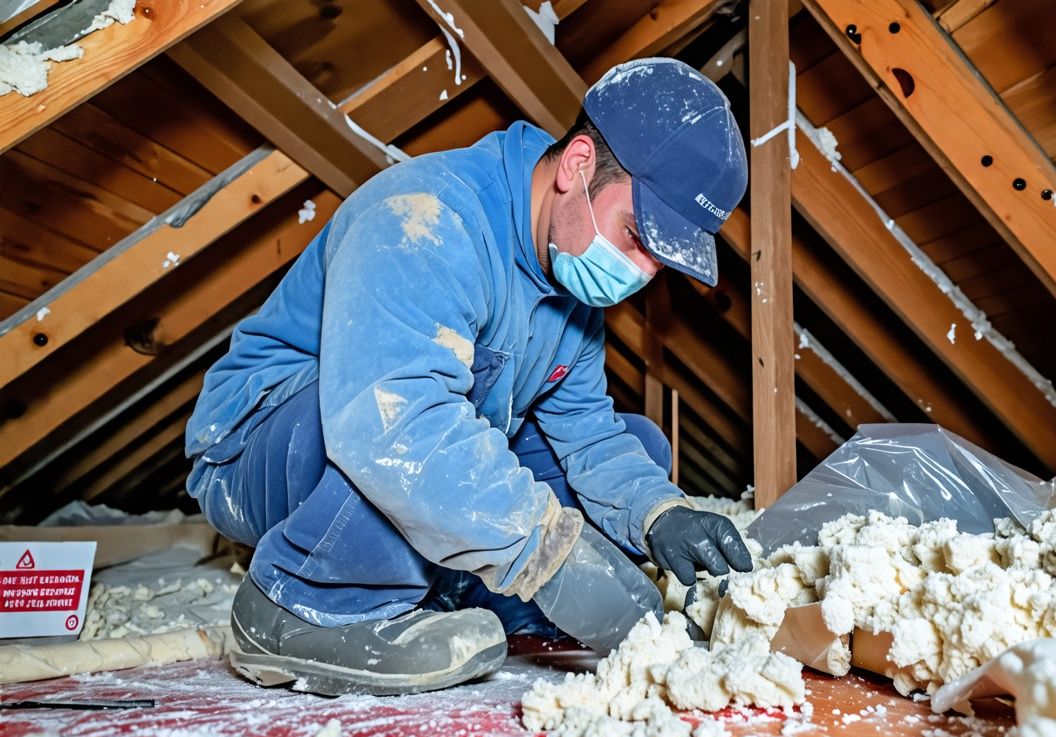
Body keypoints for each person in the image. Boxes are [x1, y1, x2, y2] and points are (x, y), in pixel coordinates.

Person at [183, 58, 753, 696]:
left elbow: (590, 437)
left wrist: (660, 512)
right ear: (577, 164)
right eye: (636, 235)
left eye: (660, 259)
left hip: (391, 424)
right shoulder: (427, 217)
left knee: (639, 444)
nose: (642, 272)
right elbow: (395, 423)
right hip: (267, 442)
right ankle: (299, 607)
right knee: (414, 423)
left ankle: (469, 590)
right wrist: (548, 557)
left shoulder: (574, 298)